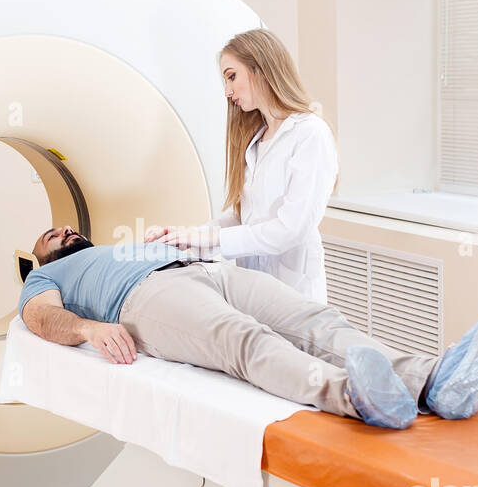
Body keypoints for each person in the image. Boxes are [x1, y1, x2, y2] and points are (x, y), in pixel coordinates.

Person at [18, 225, 478, 429]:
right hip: (144, 297)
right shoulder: (47, 274)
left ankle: (435, 382)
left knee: (314, 319)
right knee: (243, 340)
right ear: (39, 256)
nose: (64, 232)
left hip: (204, 270)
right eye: (50, 234)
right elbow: (39, 316)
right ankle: (356, 397)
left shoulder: (112, 246)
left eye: (67, 227)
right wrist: (87, 329)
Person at [144, 29, 339, 303]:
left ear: (260, 67)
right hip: (253, 290)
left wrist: (210, 240)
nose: (227, 91)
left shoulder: (309, 133)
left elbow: (291, 229)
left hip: (294, 293)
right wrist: (187, 236)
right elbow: (242, 216)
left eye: (232, 76)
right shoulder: (256, 142)